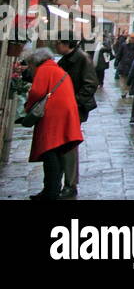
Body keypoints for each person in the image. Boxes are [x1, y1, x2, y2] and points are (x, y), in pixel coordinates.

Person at [19, 47, 83, 200]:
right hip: (65, 114)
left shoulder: (44, 70)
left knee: (49, 151)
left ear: (35, 62)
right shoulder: (56, 69)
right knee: (58, 151)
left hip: (53, 116)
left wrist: (28, 107)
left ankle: (51, 191)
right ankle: (51, 189)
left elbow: (36, 92)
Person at [54, 38, 98, 199]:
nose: (55, 45)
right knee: (62, 144)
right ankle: (60, 183)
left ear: (67, 44)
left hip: (73, 109)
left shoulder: (81, 59)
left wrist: (74, 103)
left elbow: (90, 84)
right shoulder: (66, 59)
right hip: (64, 109)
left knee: (69, 144)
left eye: (58, 42)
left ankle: (70, 184)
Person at [114, 33, 134, 99]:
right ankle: (123, 92)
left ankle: (128, 90)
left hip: (133, 66)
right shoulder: (124, 45)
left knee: (130, 80)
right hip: (124, 65)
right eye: (132, 38)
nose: (133, 39)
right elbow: (119, 54)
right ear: (129, 38)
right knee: (123, 79)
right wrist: (116, 62)